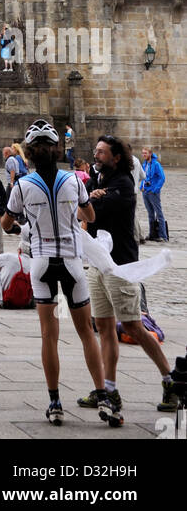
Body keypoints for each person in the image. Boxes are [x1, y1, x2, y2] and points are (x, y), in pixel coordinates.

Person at [1, 118, 111, 428]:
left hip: (43, 260)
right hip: (72, 260)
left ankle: (54, 402)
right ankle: (102, 395)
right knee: (86, 332)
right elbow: (88, 213)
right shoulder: (74, 181)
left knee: (49, 336)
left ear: (31, 154)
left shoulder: (22, 185)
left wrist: (19, 222)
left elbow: (6, 224)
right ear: (56, 149)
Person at [78, 135, 178, 421]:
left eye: (101, 152)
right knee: (105, 328)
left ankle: (171, 381)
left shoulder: (122, 185)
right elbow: (80, 205)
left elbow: (90, 215)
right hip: (99, 265)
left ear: (116, 157)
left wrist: (92, 201)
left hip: (121, 267)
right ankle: (109, 390)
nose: (96, 155)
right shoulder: (96, 181)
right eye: (95, 151)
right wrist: (91, 197)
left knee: (133, 326)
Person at [140, 147, 169, 242]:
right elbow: (143, 177)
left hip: (153, 192)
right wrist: (141, 187)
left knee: (159, 213)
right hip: (145, 192)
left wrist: (155, 189)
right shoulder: (144, 164)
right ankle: (152, 234)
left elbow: (162, 178)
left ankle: (163, 236)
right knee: (150, 214)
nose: (144, 155)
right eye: (143, 153)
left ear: (150, 154)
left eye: (145, 153)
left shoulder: (156, 164)